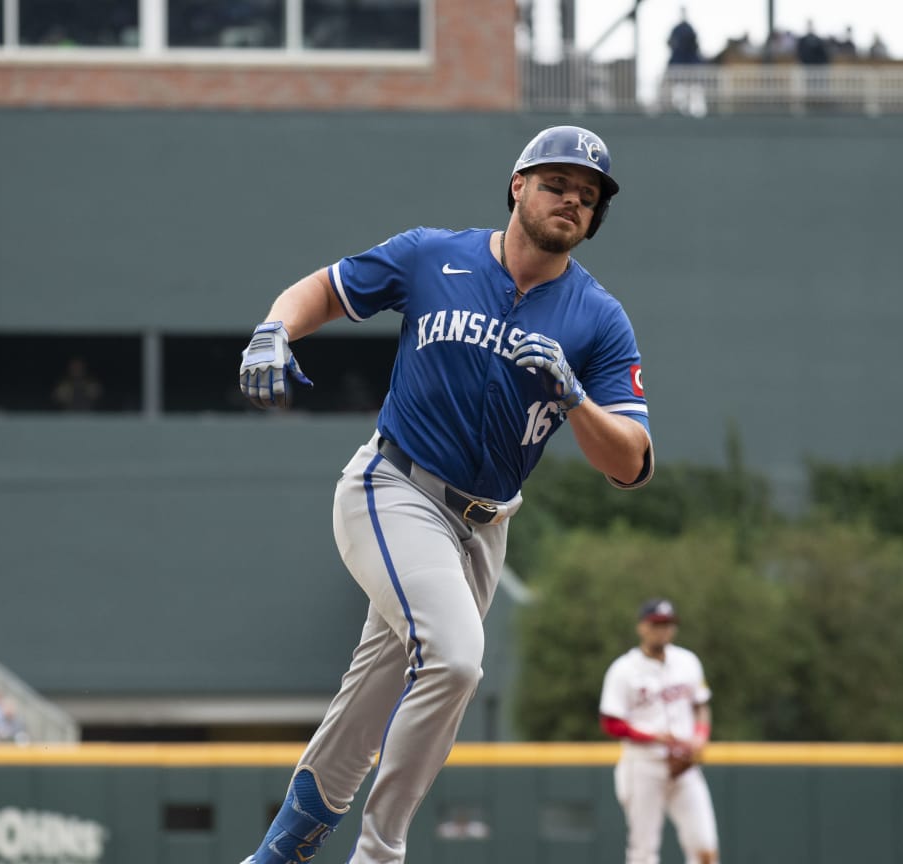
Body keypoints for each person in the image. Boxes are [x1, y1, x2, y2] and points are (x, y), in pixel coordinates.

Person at [235, 125, 653, 864]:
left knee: (369, 703)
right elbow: (326, 289)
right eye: (557, 183)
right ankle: (381, 850)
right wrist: (274, 329)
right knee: (456, 659)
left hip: (485, 528)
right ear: (518, 186)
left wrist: (576, 397)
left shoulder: (598, 318)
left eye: (588, 197)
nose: (572, 200)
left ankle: (279, 854)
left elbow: (631, 462)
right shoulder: (434, 254)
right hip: (394, 487)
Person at [598, 598, 718, 864]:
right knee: (643, 851)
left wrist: (700, 734)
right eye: (656, 624)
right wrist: (653, 737)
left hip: (685, 767)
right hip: (643, 766)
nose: (662, 630)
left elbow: (701, 705)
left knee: (704, 846)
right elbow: (610, 722)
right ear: (642, 627)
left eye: (667, 624)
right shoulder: (623, 670)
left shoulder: (688, 661)